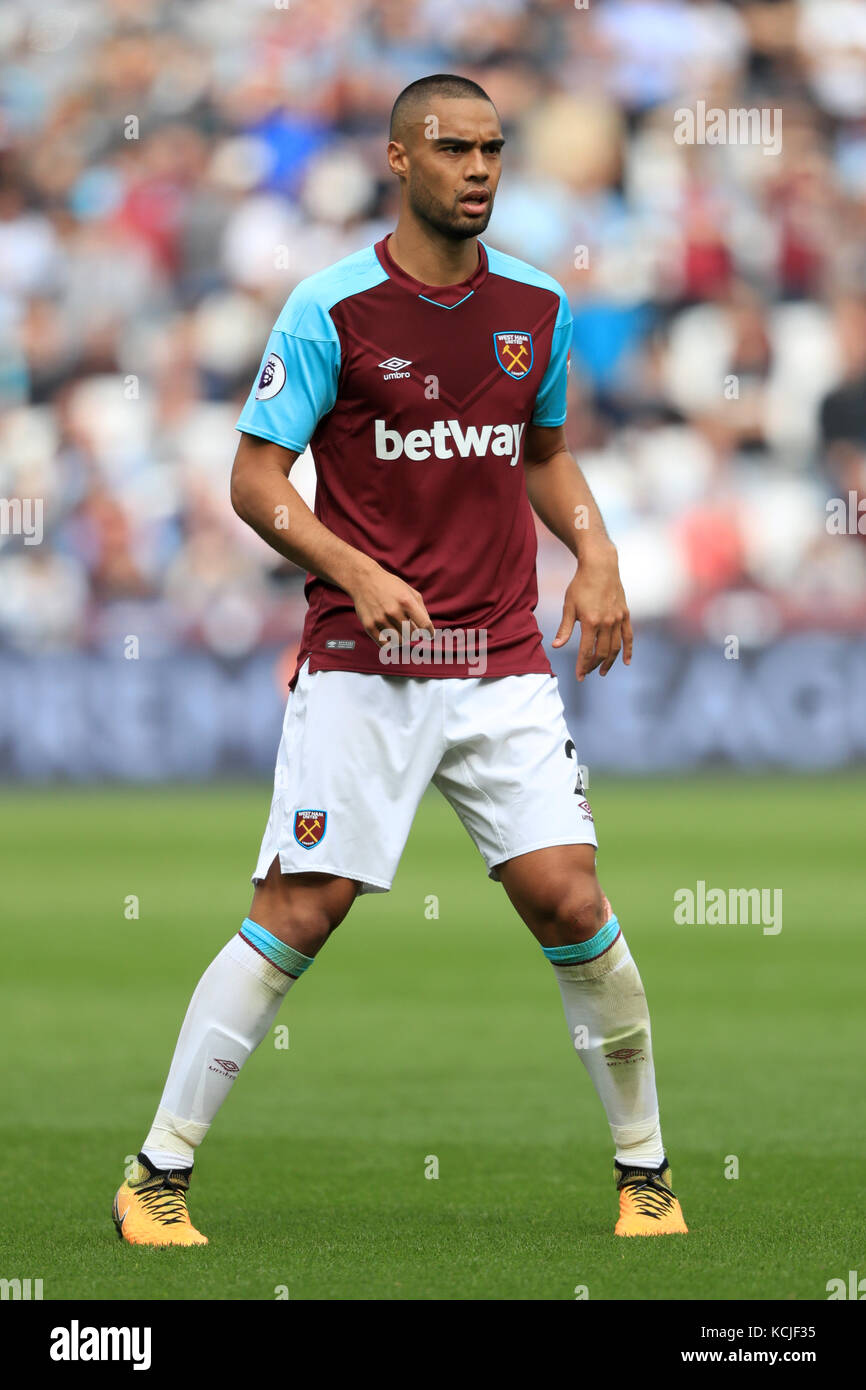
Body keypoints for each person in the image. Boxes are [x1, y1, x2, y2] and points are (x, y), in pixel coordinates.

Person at [113, 73, 687, 1247]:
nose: (478, 169)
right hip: (362, 663)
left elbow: (543, 454)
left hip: (503, 660)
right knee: (300, 910)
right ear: (397, 159)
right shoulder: (329, 310)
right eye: (453, 149)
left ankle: (645, 1173)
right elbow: (252, 483)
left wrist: (596, 552)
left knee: (568, 896)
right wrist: (353, 568)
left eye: (492, 150)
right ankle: (154, 1176)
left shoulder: (534, 304)